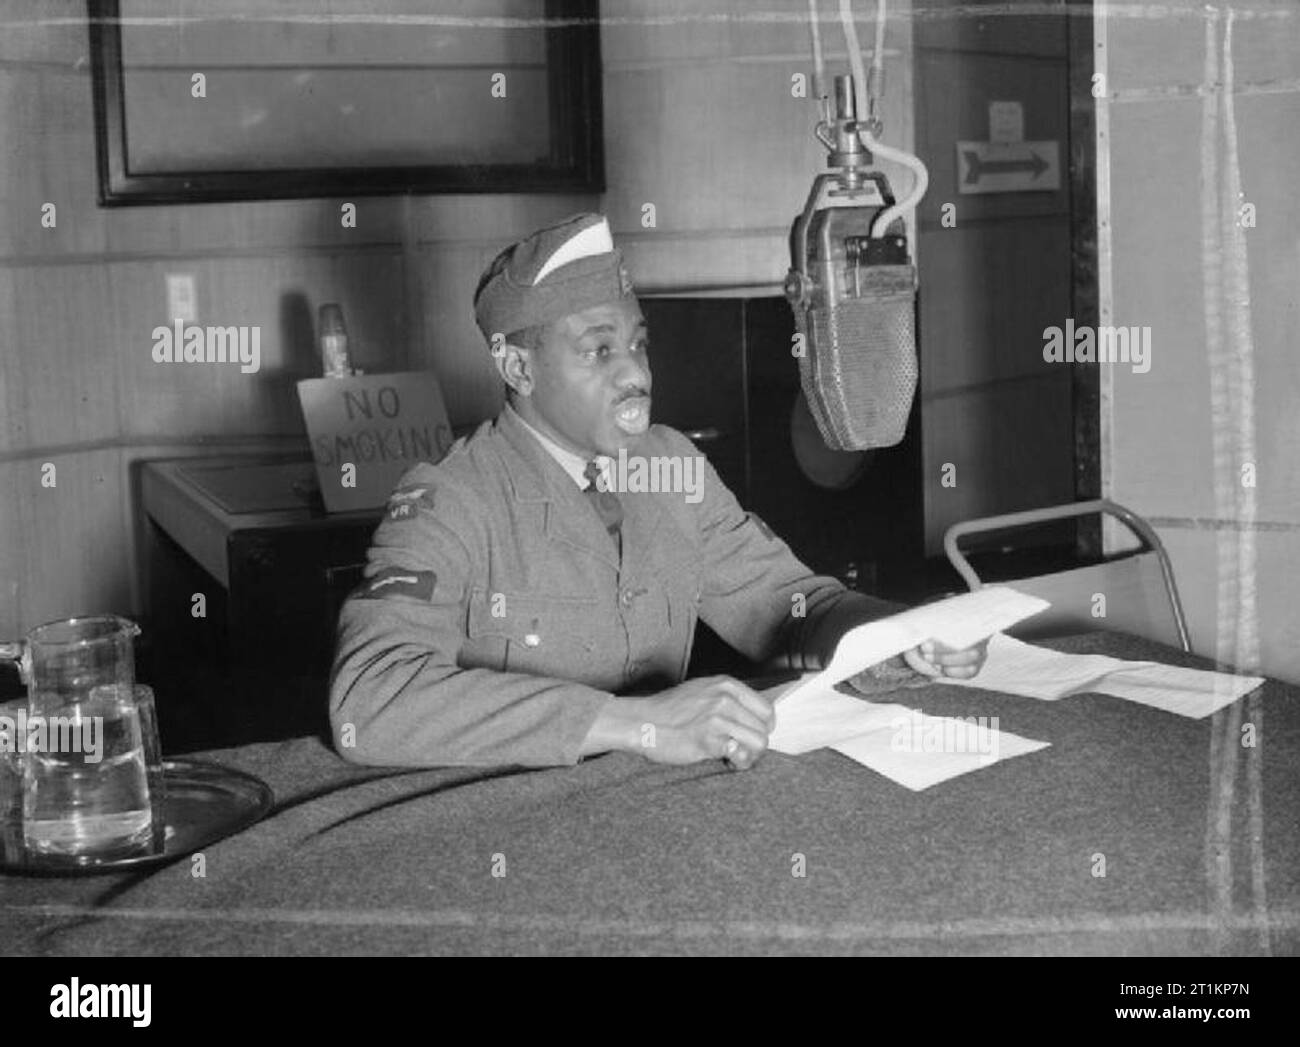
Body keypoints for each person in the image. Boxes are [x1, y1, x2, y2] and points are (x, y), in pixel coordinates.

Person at [329, 213, 985, 770]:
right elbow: (371, 697)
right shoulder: (451, 500)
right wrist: (633, 723)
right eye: (600, 349)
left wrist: (895, 636)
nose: (636, 372)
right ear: (516, 365)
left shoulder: (671, 465)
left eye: (640, 344)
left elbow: (789, 608)